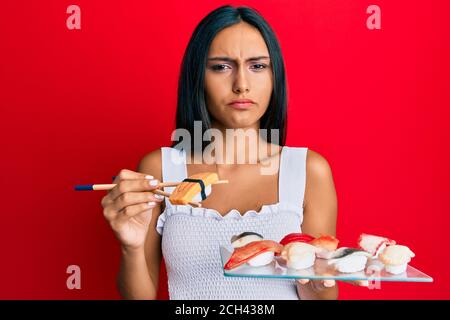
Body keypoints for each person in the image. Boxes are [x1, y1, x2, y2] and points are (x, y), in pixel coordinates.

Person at [101, 5, 367, 300]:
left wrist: (318, 282)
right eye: (221, 67)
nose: (241, 85)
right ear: (197, 77)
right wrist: (131, 246)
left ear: (274, 76)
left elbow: (320, 296)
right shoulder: (161, 170)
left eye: (257, 66)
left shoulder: (308, 170)